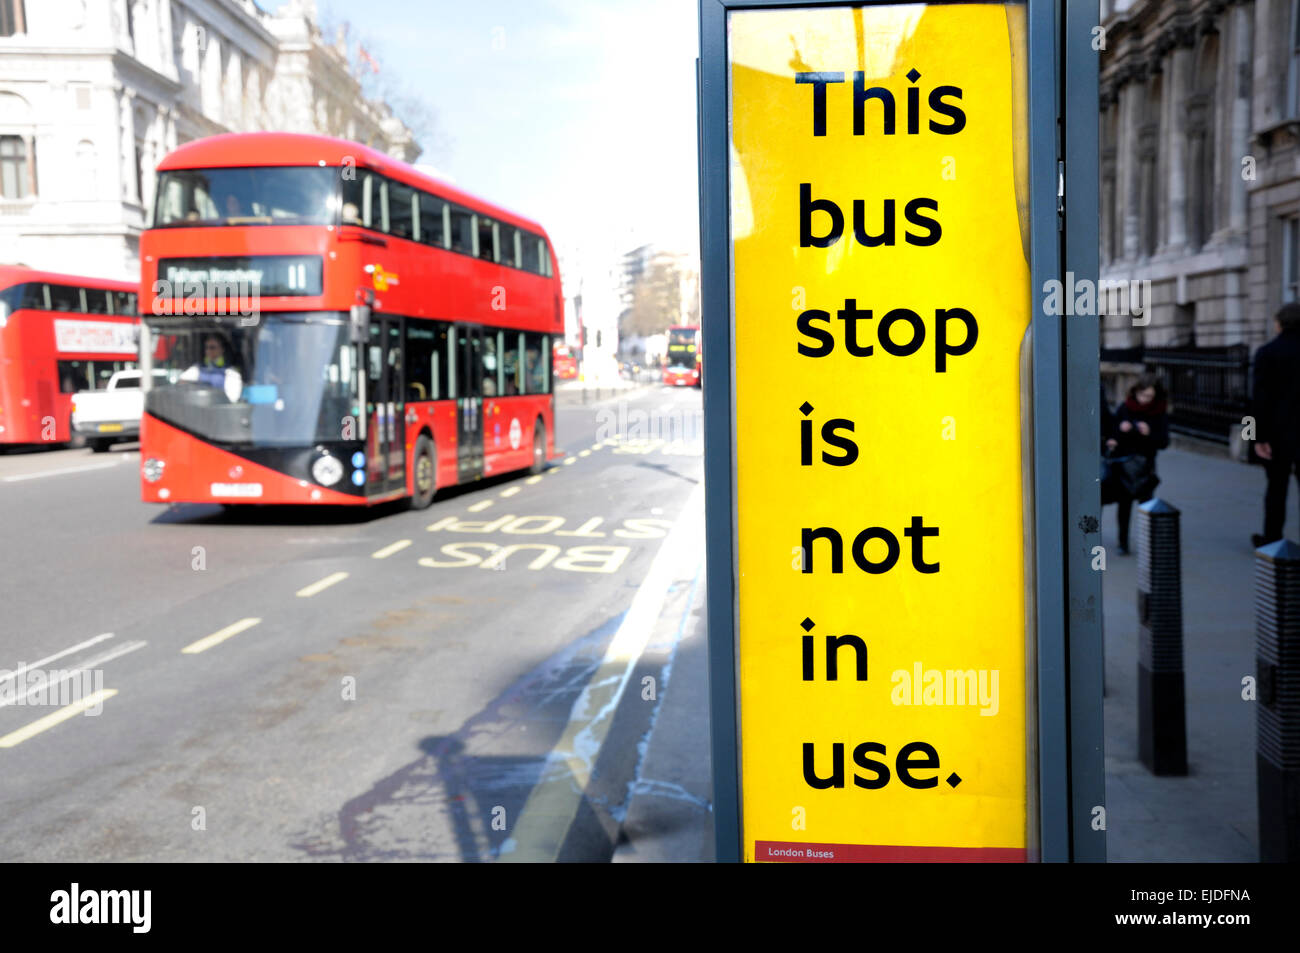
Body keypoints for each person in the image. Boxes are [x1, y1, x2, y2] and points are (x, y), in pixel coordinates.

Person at [1250, 302, 1300, 547]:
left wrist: (1255, 437)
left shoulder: (1267, 353)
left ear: (1279, 323)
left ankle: (1272, 539)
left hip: (1277, 434)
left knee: (1276, 489)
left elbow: (1257, 400)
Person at [1108, 375, 1170, 555]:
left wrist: (1149, 432)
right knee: (1124, 505)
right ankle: (1122, 542)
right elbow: (1112, 434)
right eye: (1142, 395)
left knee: (1147, 506)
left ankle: (1147, 543)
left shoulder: (1159, 412)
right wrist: (1119, 431)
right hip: (1124, 465)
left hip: (1145, 466)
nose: (1144, 400)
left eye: (1149, 396)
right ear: (1135, 392)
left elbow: (1164, 442)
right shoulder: (1125, 408)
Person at [180, 333, 243, 402]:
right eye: (206, 347)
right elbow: (181, 385)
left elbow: (232, 399)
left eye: (212, 347)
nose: (208, 351)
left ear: (222, 349)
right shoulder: (197, 368)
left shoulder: (230, 371)